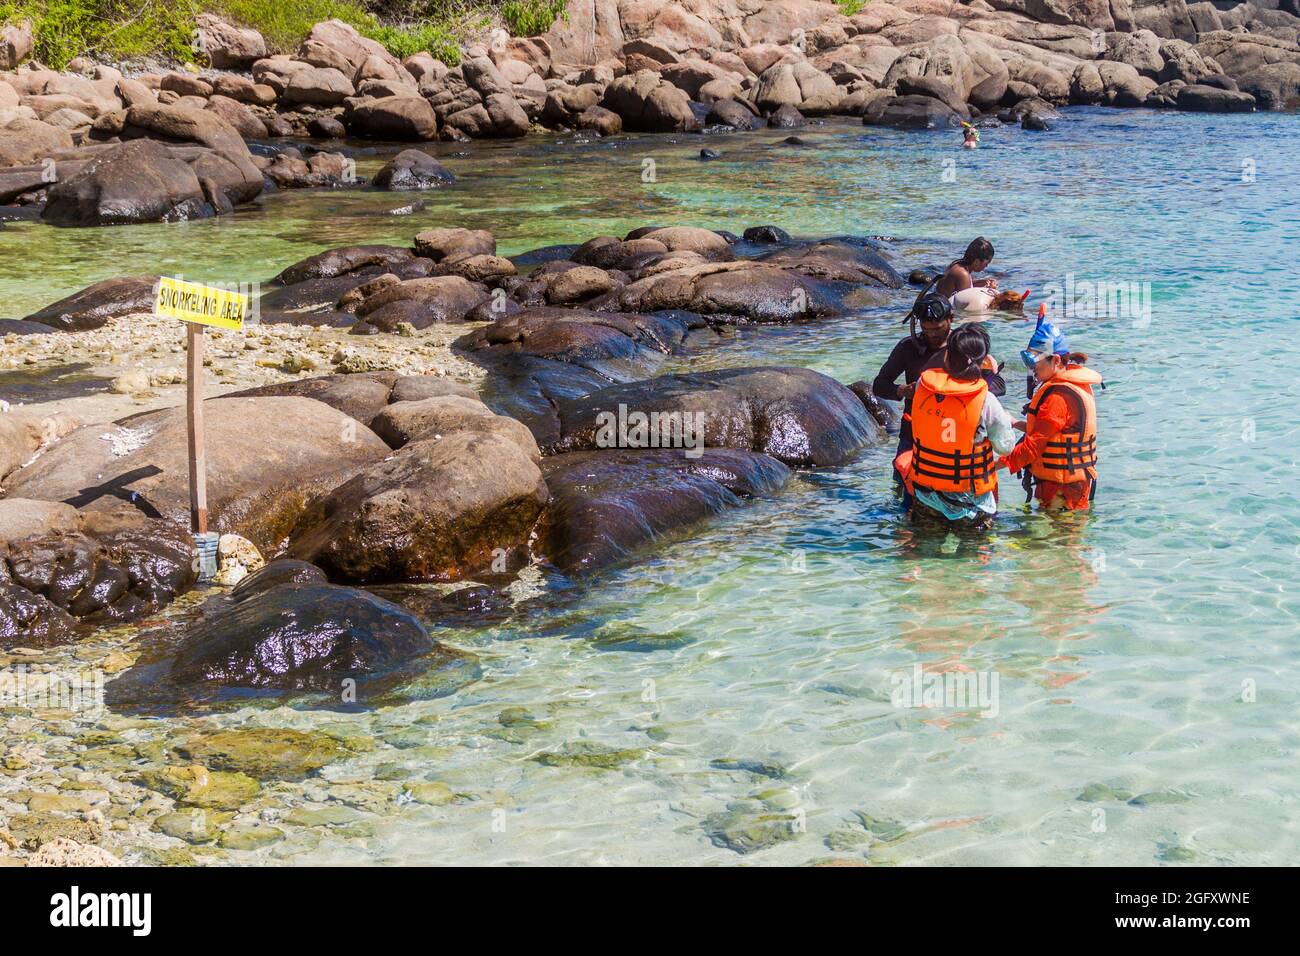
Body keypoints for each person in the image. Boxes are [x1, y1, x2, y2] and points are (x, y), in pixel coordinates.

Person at [894, 326, 1018, 530]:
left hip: (927, 495)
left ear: (946, 356)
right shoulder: (987, 400)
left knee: (927, 554)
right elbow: (1005, 447)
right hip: (972, 501)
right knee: (972, 559)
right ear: (984, 360)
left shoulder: (922, 387)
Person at [997, 318, 1103, 511]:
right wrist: (1014, 423)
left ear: (1055, 360)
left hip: (1062, 491)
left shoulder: (1057, 397)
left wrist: (991, 467)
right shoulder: (1070, 386)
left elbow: (1031, 449)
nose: (1031, 368)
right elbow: (1053, 432)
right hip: (1071, 485)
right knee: (1061, 539)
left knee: (1059, 539)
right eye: (1027, 359)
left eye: (1034, 361)